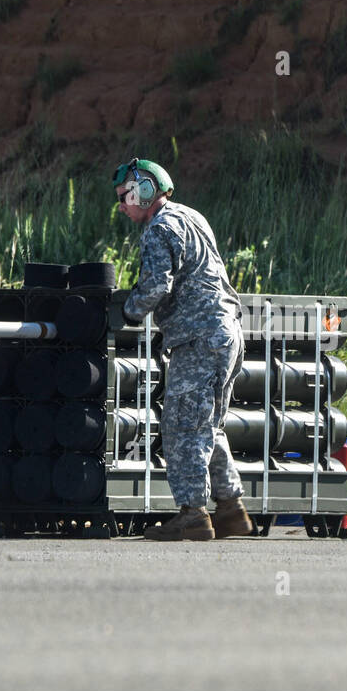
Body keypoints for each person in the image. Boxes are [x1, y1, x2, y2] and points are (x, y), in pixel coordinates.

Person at [114, 157, 250, 541]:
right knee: (210, 425)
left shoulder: (159, 227)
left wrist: (126, 311)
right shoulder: (191, 216)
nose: (122, 207)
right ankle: (231, 509)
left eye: (124, 198)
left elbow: (157, 286)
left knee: (182, 426)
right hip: (227, 334)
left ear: (142, 191)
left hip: (199, 339)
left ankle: (193, 515)